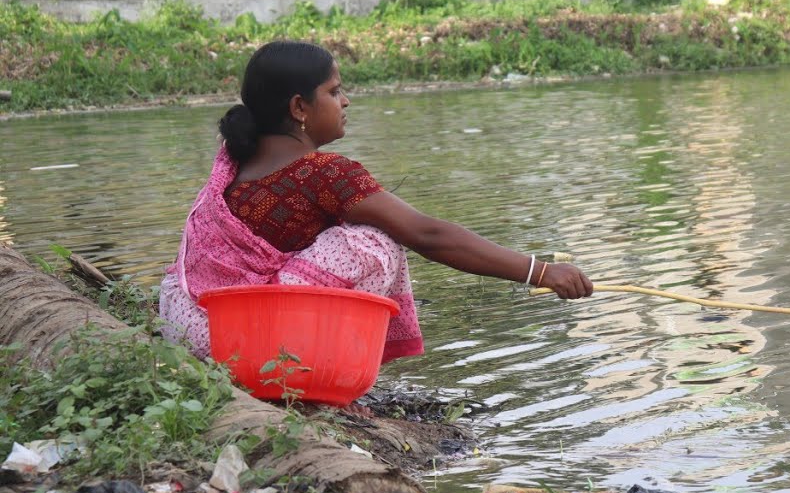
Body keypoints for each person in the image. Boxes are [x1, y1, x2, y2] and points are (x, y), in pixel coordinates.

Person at [159, 40, 593, 363]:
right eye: (334, 91)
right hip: (238, 347)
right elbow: (429, 235)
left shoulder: (235, 157)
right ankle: (315, 370)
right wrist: (540, 271)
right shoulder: (326, 173)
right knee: (375, 242)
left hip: (188, 327)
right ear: (299, 107)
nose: (346, 101)